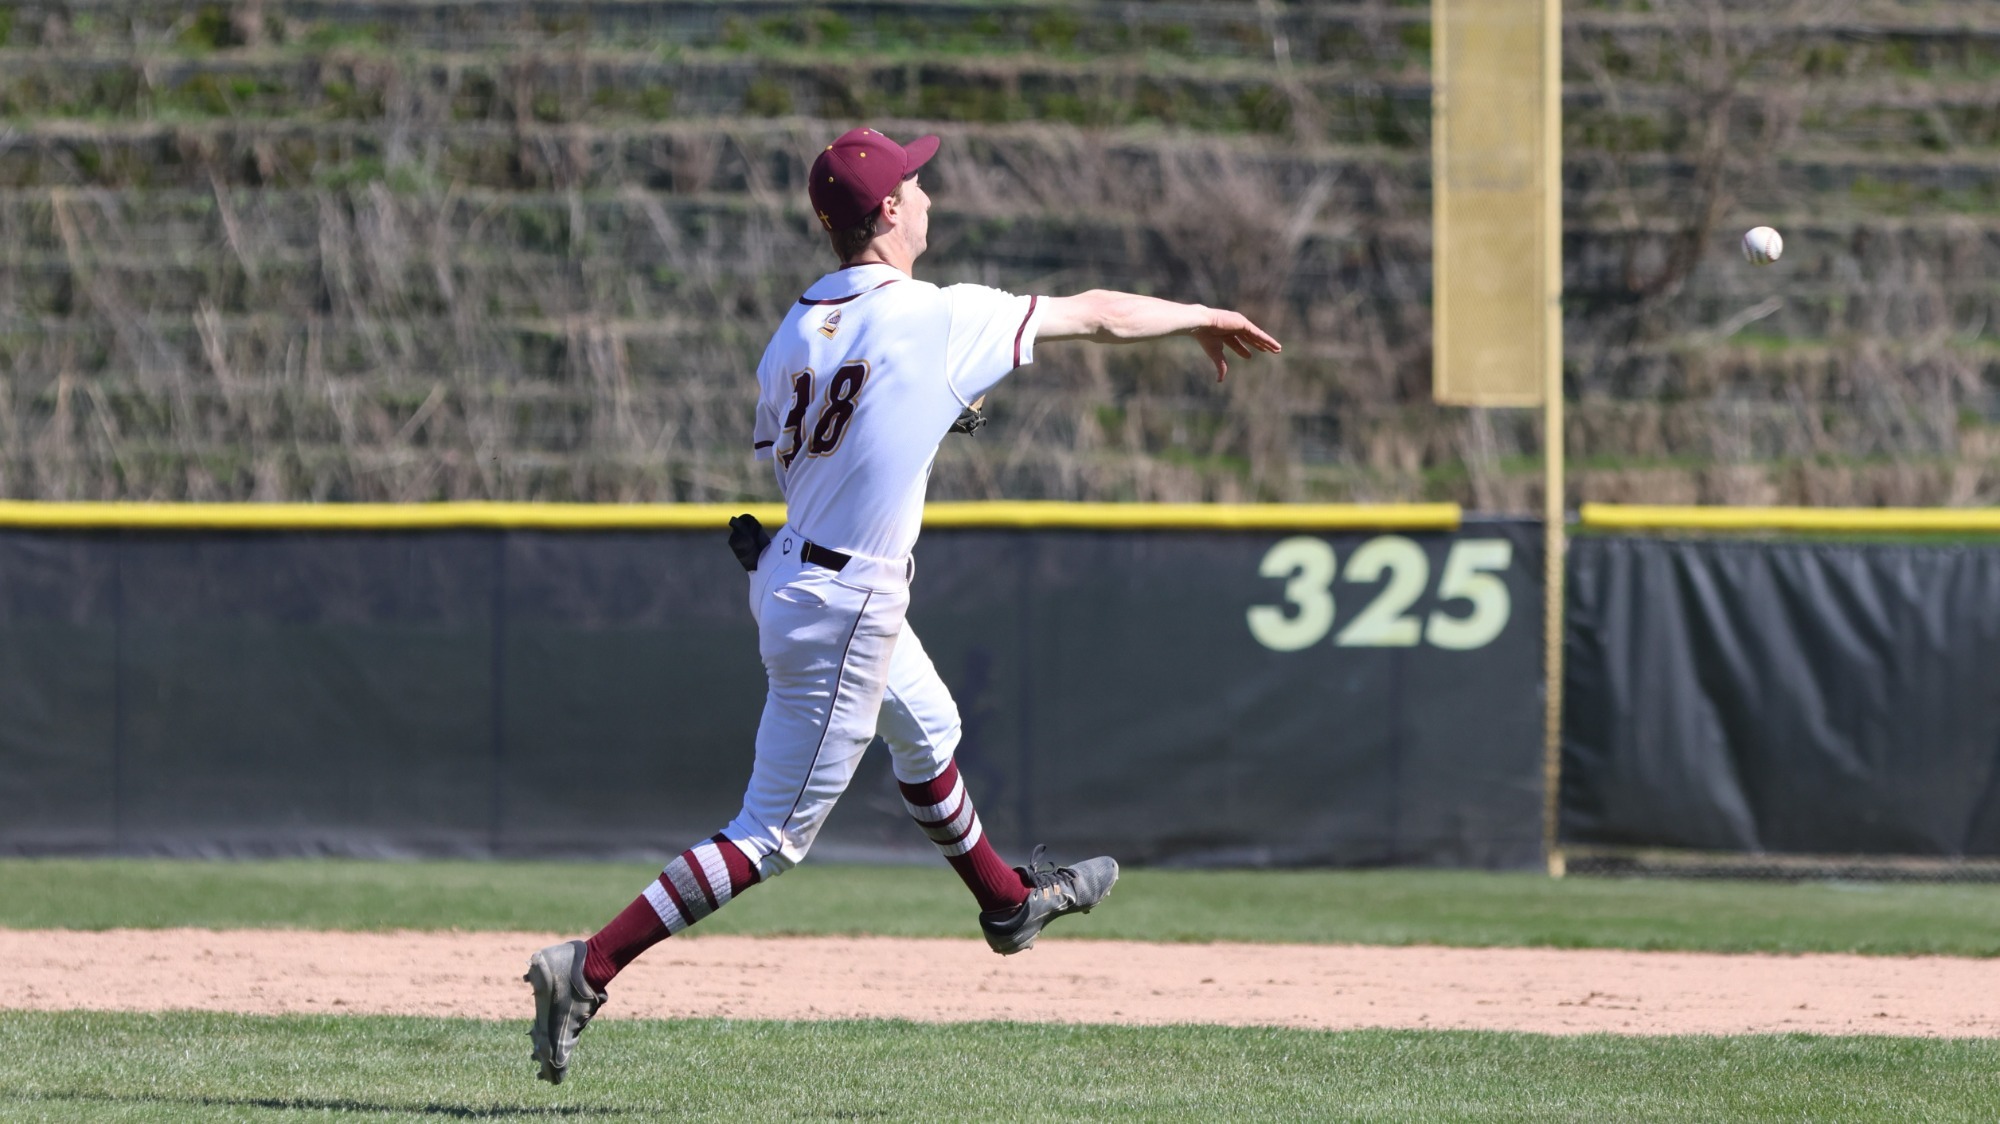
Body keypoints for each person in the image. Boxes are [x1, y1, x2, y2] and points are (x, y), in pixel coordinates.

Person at [525, 126, 1281, 1085]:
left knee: (930, 729)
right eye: (914, 182)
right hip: (847, 603)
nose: (926, 193)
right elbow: (1092, 314)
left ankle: (1009, 904)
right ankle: (585, 966)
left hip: (790, 569)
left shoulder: (793, 327)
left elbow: (812, 455)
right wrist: (1201, 311)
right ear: (887, 211)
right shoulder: (934, 315)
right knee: (770, 835)